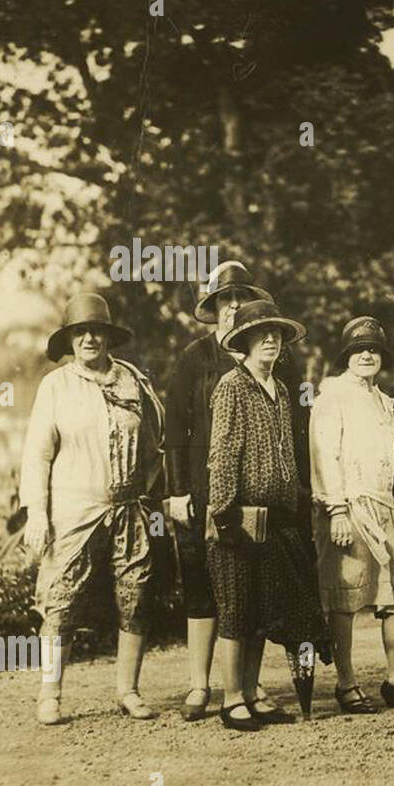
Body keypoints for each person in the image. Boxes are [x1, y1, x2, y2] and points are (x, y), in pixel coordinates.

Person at [21, 293, 166, 725]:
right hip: (73, 509)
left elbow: (156, 446)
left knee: (135, 594)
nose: (89, 338)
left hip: (128, 508)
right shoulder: (56, 386)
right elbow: (37, 455)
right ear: (69, 339)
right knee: (61, 598)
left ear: (108, 337)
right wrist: (36, 513)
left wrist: (148, 493)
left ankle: (129, 690)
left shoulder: (133, 381)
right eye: (80, 331)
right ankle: (51, 693)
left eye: (96, 330)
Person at [164, 262, 293, 722]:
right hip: (207, 491)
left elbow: (286, 432)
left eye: (240, 298)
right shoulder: (195, 359)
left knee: (251, 595)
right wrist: (178, 491)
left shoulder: (273, 366)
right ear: (215, 307)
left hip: (259, 497)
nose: (233, 306)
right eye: (225, 299)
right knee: (206, 586)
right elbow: (175, 429)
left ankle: (248, 687)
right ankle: (202, 686)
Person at [206, 299, 331, 731]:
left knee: (263, 609)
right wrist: (223, 514)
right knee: (236, 608)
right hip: (238, 516)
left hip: (275, 516)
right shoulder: (231, 386)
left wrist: (296, 499)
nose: (271, 341)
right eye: (262, 335)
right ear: (244, 343)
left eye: (276, 334)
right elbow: (222, 451)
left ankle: (253, 691)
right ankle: (232, 698)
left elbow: (287, 454)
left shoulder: (280, 388)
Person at [310, 317, 394, 713]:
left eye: (373, 349)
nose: (367, 356)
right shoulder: (333, 396)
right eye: (358, 350)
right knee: (347, 593)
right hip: (349, 505)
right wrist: (336, 510)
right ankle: (346, 682)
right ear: (347, 357)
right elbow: (324, 456)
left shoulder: (385, 402)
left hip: (385, 504)